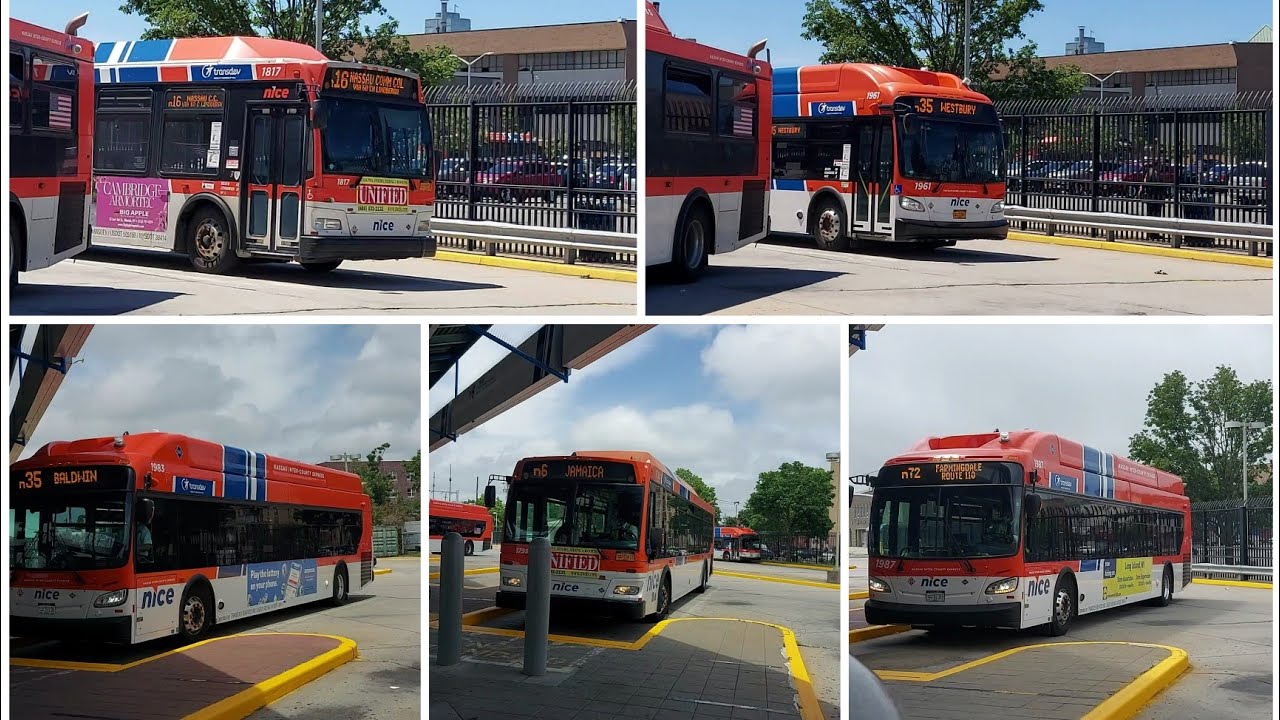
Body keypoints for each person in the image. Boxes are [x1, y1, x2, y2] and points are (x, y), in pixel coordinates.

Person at [1141, 155, 1171, 240]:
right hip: (1152, 197)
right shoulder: (1152, 172)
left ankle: (1154, 233)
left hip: (1157, 197)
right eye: (1161, 164)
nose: (1163, 166)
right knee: (1152, 215)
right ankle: (1151, 233)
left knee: (1156, 215)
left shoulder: (1157, 173)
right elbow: (1146, 184)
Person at [135, 498, 155, 565]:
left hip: (142, 559)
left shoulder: (143, 529)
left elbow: (148, 546)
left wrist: (135, 549)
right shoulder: (132, 528)